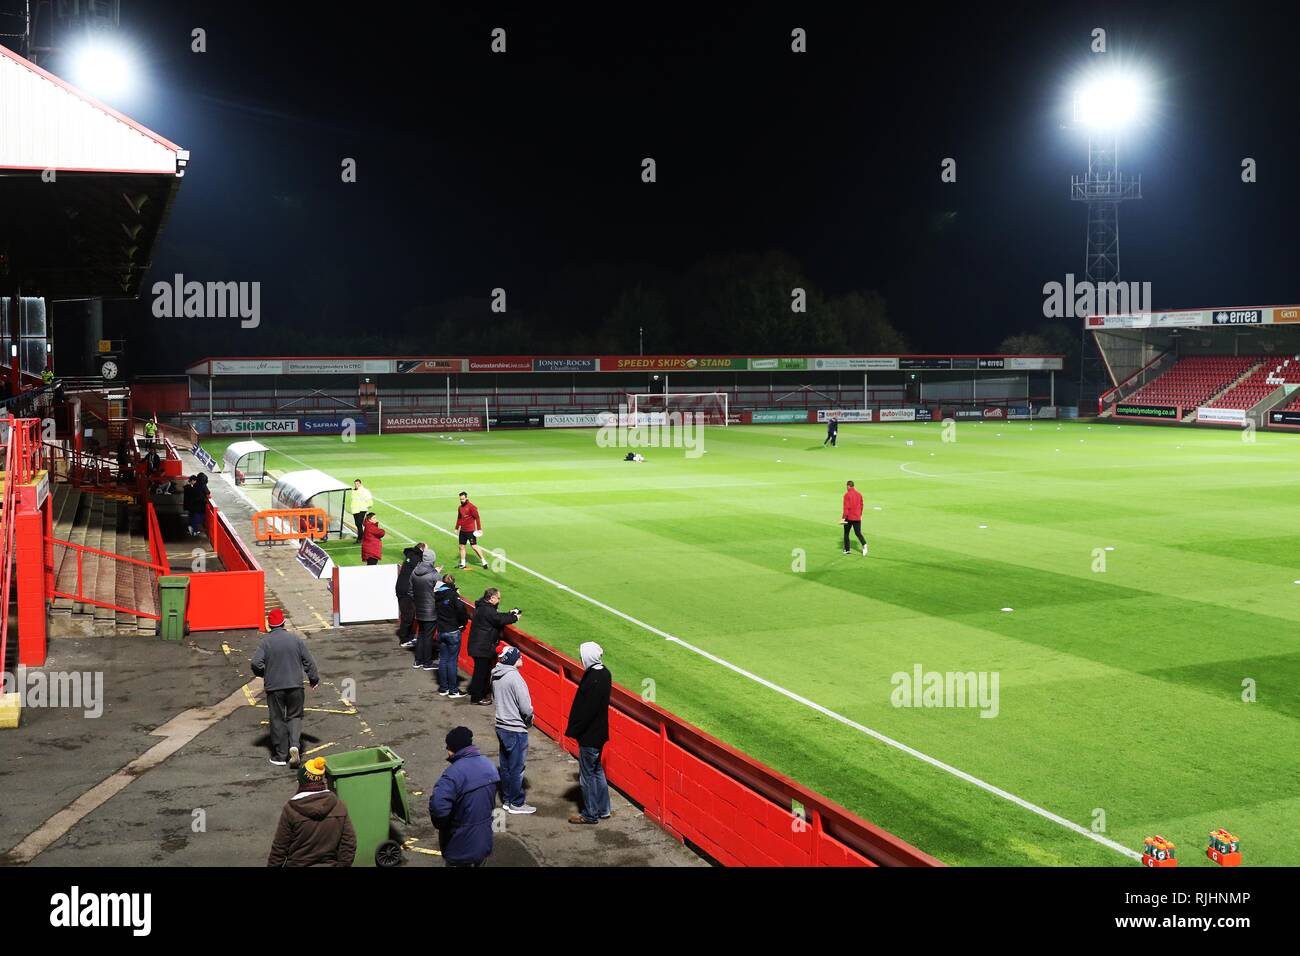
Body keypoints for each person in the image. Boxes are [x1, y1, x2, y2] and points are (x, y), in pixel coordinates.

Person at [250, 608, 320, 768]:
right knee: (295, 716)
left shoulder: (266, 642)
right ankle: (294, 744)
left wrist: (263, 672)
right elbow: (309, 661)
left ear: (269, 625)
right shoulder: (295, 640)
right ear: (283, 622)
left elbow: (255, 663)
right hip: (295, 685)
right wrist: (313, 679)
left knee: (277, 719)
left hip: (275, 687)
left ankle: (281, 756)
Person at [267, 757, 357, 867]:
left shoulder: (291, 810)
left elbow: (279, 849)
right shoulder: (339, 806)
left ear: (301, 781)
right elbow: (349, 843)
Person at [429, 727, 499, 867]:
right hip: (483, 842)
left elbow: (438, 809)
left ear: (453, 749)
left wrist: (443, 826)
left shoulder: (452, 776)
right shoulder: (489, 766)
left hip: (459, 846)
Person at [565, 642, 612, 825]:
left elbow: (587, 710)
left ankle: (590, 814)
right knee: (597, 770)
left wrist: (575, 730)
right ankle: (603, 809)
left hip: (589, 734)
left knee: (587, 775)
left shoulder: (593, 677)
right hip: (599, 732)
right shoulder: (604, 673)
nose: (580, 658)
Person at [492, 645, 535, 814]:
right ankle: (516, 803)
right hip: (515, 728)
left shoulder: (495, 674)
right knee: (516, 768)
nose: (521, 658)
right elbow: (526, 707)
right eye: (519, 656)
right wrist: (529, 719)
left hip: (501, 726)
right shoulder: (515, 678)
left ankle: (508, 799)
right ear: (512, 660)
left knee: (506, 766)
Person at [468, 588, 519, 705]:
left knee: (480, 672)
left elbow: (496, 616)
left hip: (478, 645)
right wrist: (514, 617)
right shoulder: (487, 610)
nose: (499, 600)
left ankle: (477, 694)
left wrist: (509, 613)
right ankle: (477, 697)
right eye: (498, 598)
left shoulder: (482, 607)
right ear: (491, 598)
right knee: (481, 673)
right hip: (482, 647)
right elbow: (498, 619)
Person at [434, 573, 469, 697]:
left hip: (441, 630)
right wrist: (462, 623)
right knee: (452, 661)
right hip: (452, 631)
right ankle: (453, 690)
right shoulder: (453, 595)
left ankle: (443, 688)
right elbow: (461, 610)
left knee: (443, 659)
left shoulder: (436, 594)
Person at [408, 550, 441, 671]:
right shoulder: (434, 575)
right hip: (431, 610)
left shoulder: (414, 572)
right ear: (432, 560)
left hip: (419, 609)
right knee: (427, 637)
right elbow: (441, 593)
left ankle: (418, 660)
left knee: (421, 635)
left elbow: (410, 591)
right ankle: (427, 662)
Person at [395, 542, 426, 646]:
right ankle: (404, 639)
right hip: (406, 590)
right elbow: (420, 573)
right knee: (408, 615)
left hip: (401, 587)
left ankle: (406, 637)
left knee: (407, 614)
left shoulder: (410, 555)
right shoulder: (416, 559)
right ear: (422, 550)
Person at [454, 491, 490, 570]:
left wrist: (479, 529)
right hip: (462, 531)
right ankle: (463, 564)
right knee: (461, 546)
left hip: (470, 531)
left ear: (466, 498)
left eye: (463, 499)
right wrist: (457, 528)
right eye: (460, 499)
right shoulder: (460, 508)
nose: (462, 500)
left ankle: (484, 562)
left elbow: (477, 518)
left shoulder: (472, 507)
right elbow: (459, 518)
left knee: (474, 546)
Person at [842, 479, 867, 556]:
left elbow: (846, 507)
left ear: (848, 486)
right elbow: (862, 505)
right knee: (858, 533)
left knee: (846, 533)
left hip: (849, 517)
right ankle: (864, 544)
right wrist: (860, 514)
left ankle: (847, 550)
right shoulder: (859, 494)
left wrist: (843, 517)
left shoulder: (847, 495)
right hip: (857, 517)